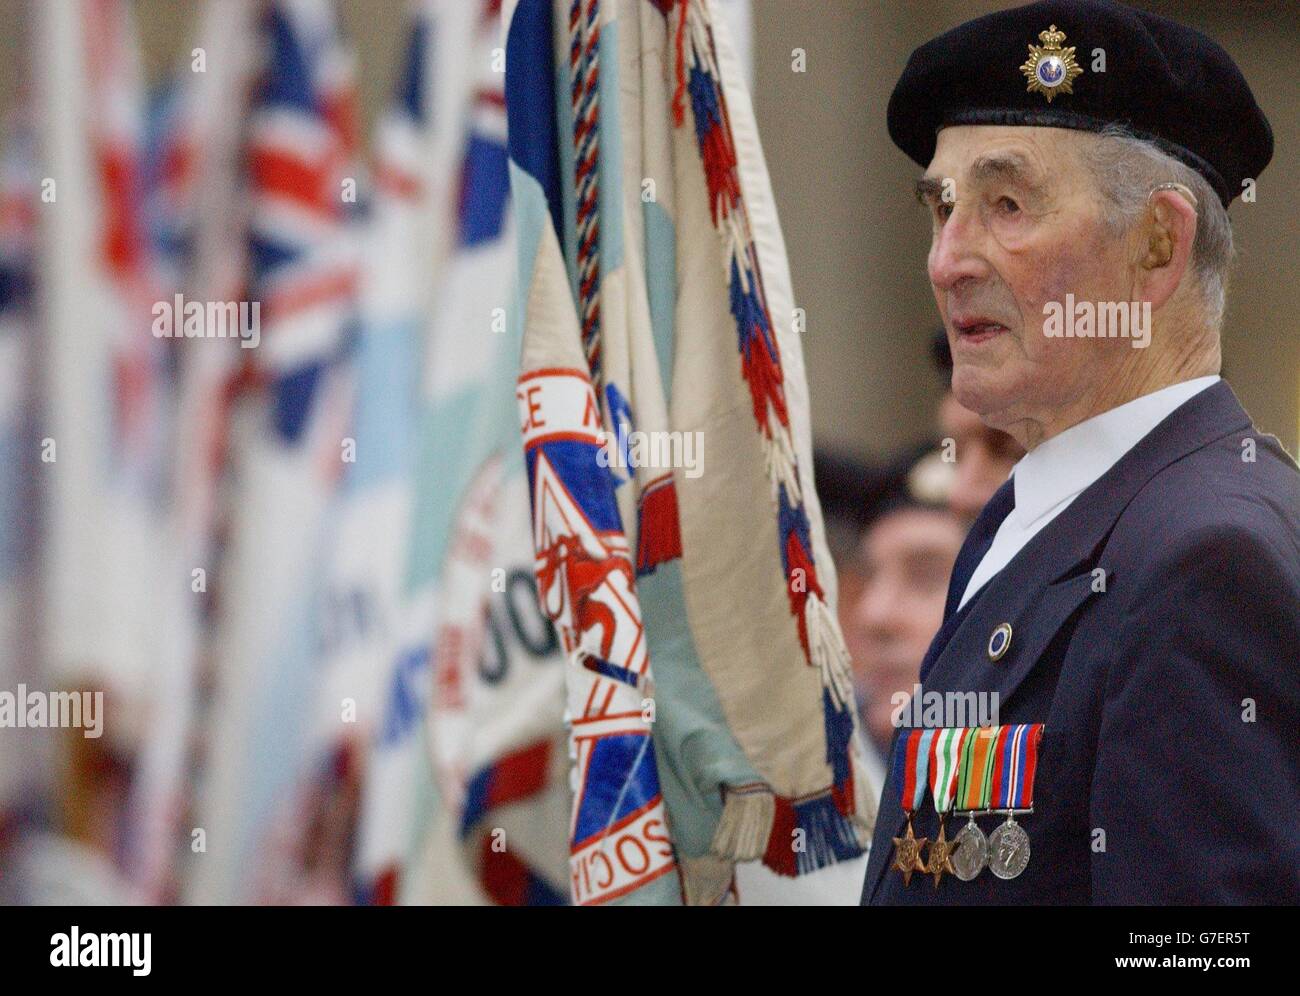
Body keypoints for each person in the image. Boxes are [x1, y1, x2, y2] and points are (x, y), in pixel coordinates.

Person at [862, 0, 1299, 904]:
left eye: (1007, 205)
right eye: (943, 208)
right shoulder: (1033, 518)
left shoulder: (1208, 557)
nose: (948, 260)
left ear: (1159, 245)